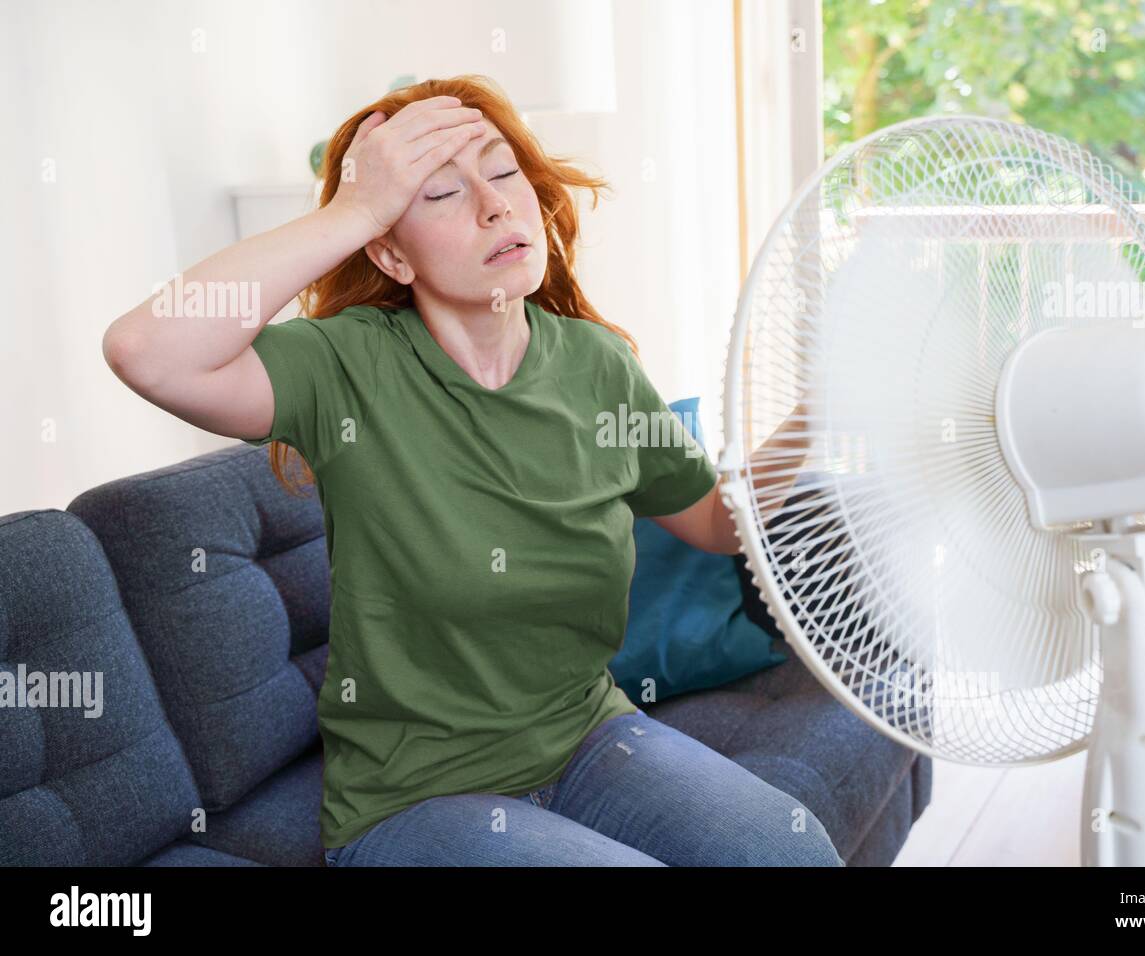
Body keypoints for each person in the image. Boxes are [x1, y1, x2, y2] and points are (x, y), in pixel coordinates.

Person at [102, 74, 839, 867]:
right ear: (389, 248)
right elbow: (145, 351)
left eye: (503, 171)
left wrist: (824, 403)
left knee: (791, 850)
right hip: (415, 797)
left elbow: (717, 522)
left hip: (589, 739)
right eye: (442, 192)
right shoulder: (346, 367)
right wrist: (351, 210)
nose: (495, 206)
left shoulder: (597, 366)